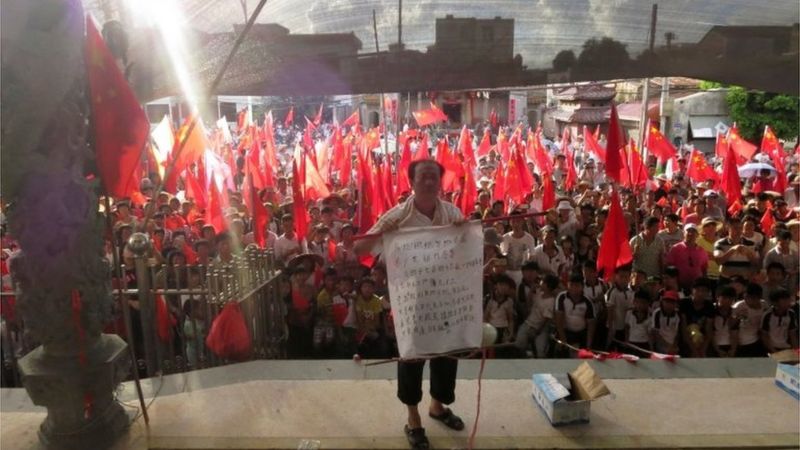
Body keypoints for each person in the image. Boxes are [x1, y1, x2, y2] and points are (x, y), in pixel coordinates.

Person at [353, 160, 466, 450]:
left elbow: (468, 250)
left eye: (433, 176)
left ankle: (437, 407)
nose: (428, 181)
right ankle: (413, 418)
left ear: (440, 182)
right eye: (423, 176)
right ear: (412, 182)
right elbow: (360, 249)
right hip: (411, 302)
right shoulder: (397, 217)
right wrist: (383, 229)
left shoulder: (452, 213)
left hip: (445, 299)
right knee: (412, 359)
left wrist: (464, 230)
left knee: (445, 354)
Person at [554, 273, 596, 355]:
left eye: (577, 286)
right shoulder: (561, 297)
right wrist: (563, 340)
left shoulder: (588, 302)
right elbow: (558, 321)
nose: (574, 288)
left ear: (582, 287)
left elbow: (591, 325)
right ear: (568, 285)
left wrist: (588, 346)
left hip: (582, 333)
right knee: (559, 351)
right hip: (566, 332)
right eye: (571, 285)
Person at [665, 223, 708, 292]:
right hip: (679, 286)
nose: (691, 233)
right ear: (684, 233)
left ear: (697, 235)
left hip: (696, 288)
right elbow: (669, 265)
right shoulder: (676, 248)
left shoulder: (701, 251)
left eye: (693, 231)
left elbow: (704, 269)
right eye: (688, 231)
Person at [500, 211, 536, 286]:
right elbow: (502, 256)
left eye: (518, 221)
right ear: (510, 222)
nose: (516, 224)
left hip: (522, 273)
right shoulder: (505, 238)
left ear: (522, 222)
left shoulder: (529, 238)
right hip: (508, 272)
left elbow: (532, 257)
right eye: (513, 221)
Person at [605, 265, 634, 350]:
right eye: (621, 276)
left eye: (626, 277)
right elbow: (610, 311)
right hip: (613, 327)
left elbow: (630, 311)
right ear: (616, 276)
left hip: (624, 328)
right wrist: (611, 328)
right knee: (610, 349)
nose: (623, 279)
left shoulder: (631, 293)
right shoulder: (612, 292)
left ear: (629, 278)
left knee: (622, 351)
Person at [710, 286, 739, 357]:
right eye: (724, 298)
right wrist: (717, 350)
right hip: (712, 346)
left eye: (730, 298)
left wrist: (733, 349)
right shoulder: (711, 311)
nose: (727, 301)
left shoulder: (734, 312)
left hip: (729, 346)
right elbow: (710, 332)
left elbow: (734, 333)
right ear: (718, 297)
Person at [651, 290, 681, 355]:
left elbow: (677, 333)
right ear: (662, 302)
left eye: (672, 302)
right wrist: (667, 346)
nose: (669, 304)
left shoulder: (678, 314)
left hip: (673, 344)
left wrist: (674, 346)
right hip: (660, 344)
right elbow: (655, 332)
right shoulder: (657, 313)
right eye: (667, 302)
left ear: (676, 304)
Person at [624, 290, 652, 355]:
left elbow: (650, 334)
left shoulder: (650, 316)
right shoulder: (629, 313)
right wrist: (626, 341)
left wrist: (651, 349)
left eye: (643, 302)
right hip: (631, 343)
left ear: (647, 304)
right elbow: (627, 327)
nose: (640, 305)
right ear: (634, 302)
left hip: (644, 344)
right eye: (637, 302)